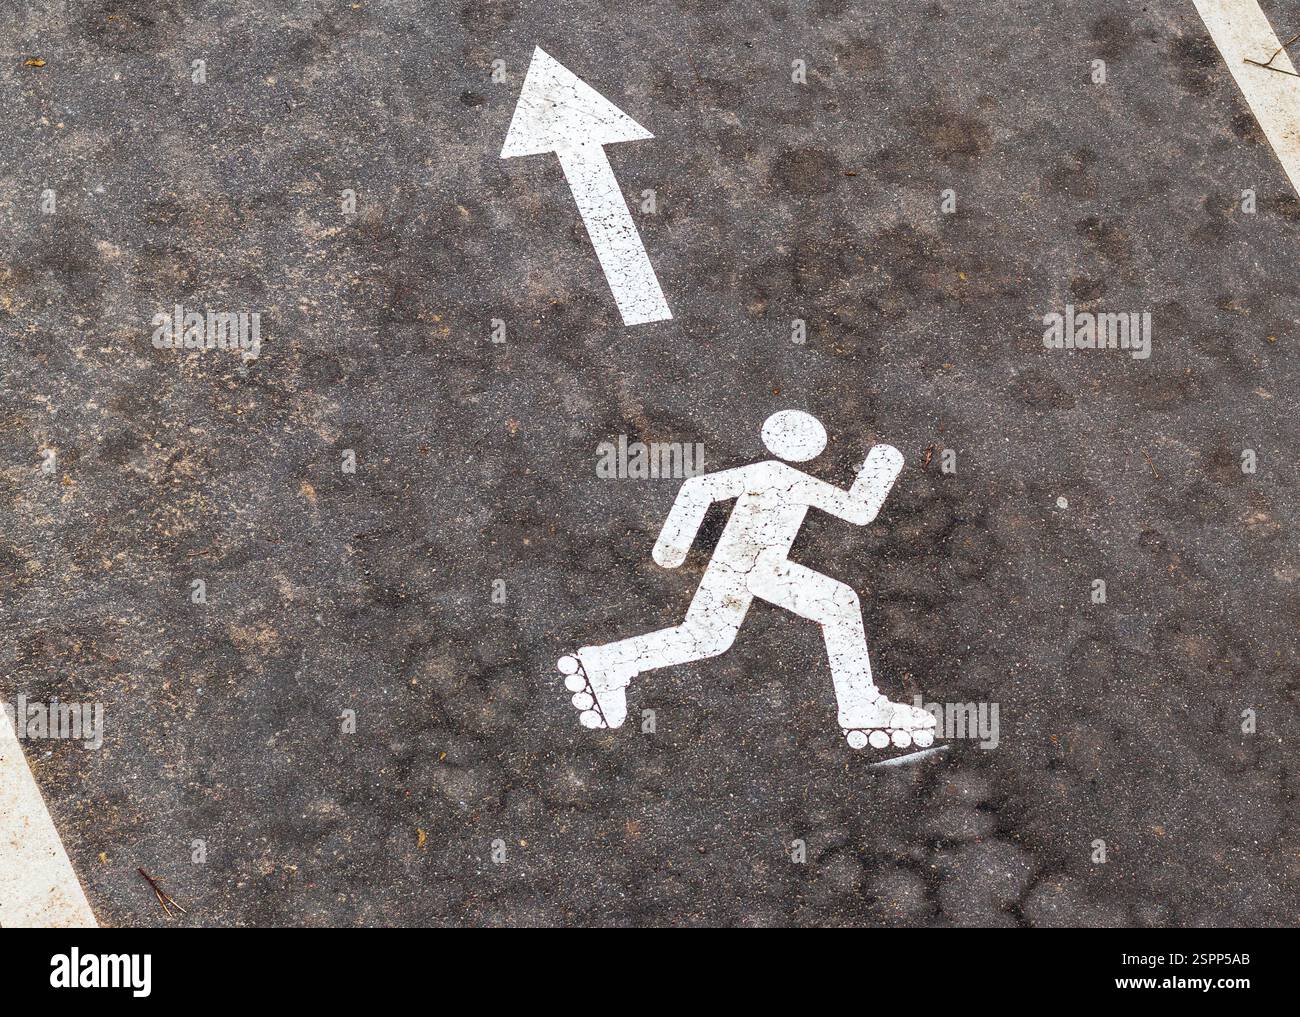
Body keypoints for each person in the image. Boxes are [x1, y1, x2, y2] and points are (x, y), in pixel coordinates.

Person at [559, 410, 936, 750]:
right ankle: (860, 706)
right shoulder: (774, 474)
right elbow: (701, 490)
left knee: (705, 638)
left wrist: (881, 469)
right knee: (838, 603)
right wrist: (882, 466)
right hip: (757, 564)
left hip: (735, 563)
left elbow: (857, 509)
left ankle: (610, 663)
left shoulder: (784, 476)